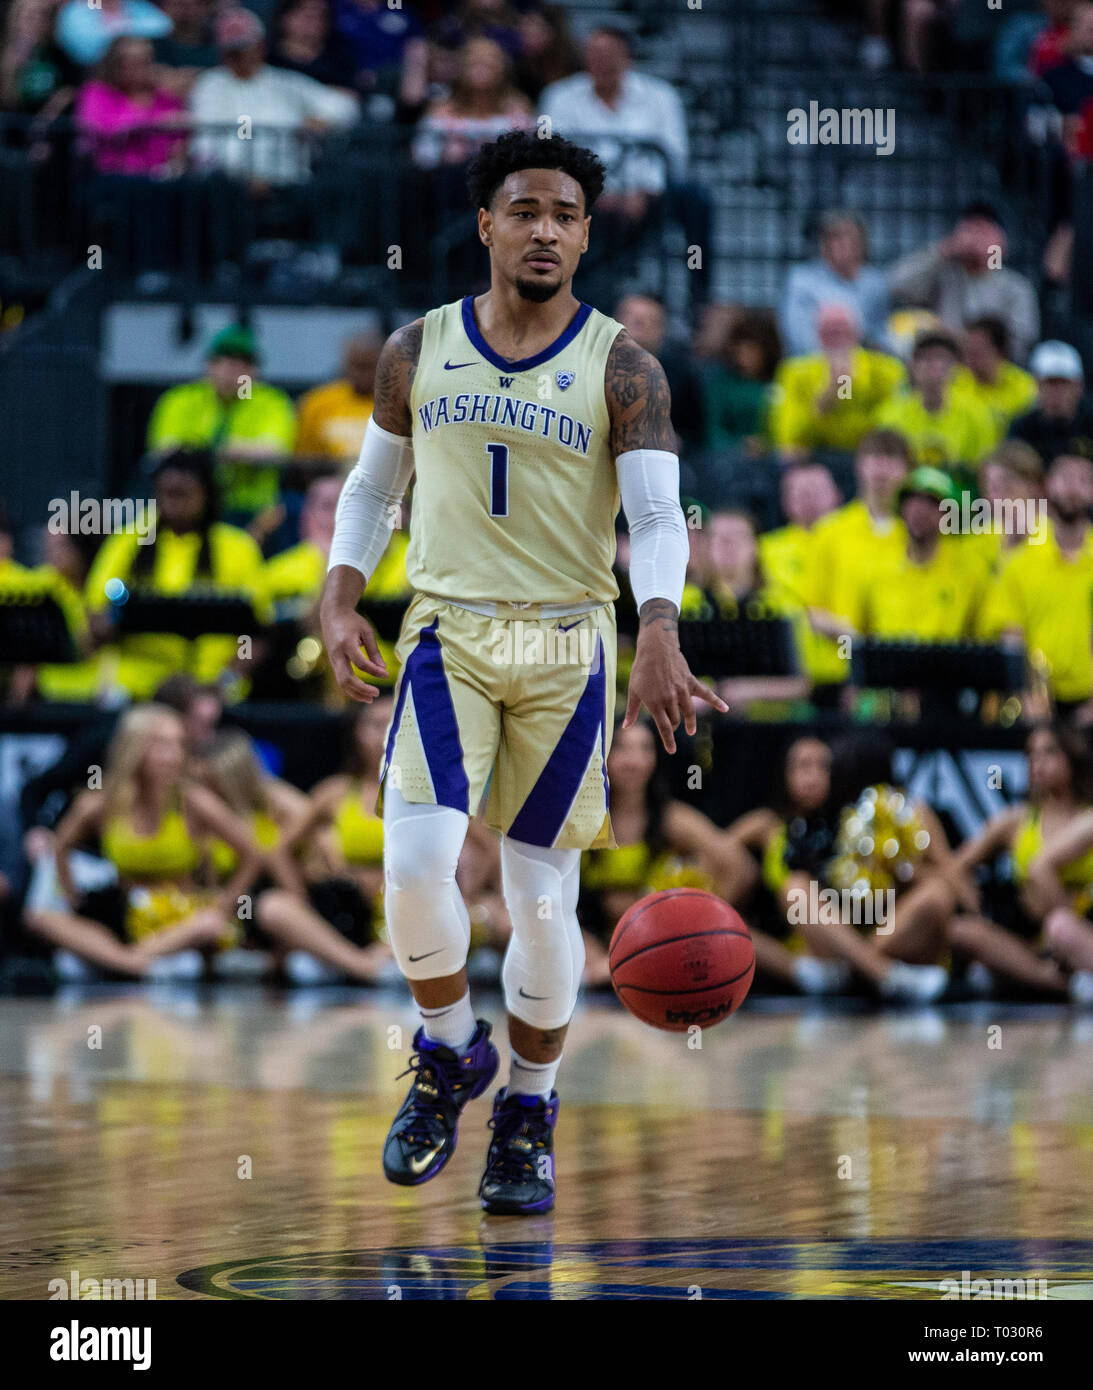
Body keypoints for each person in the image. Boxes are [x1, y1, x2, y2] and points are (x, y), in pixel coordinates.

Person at [319, 130, 726, 1215]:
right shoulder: (418, 347)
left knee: (543, 907)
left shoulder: (625, 365)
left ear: (587, 235)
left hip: (567, 639)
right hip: (447, 628)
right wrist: (339, 590)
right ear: (488, 223)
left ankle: (530, 1108)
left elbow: (654, 515)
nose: (544, 228)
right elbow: (370, 489)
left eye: (564, 214)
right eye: (524, 209)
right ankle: (451, 1050)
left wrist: (659, 627)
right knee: (412, 870)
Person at [23, 704, 258, 980]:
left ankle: (118, 960)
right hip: (121, 912)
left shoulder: (193, 800)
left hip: (180, 919)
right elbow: (61, 845)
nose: (172, 756)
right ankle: (135, 964)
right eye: (161, 746)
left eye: (178, 745)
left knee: (209, 924)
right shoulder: (103, 802)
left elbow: (252, 854)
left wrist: (225, 903)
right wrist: (72, 896)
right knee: (39, 918)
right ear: (135, 748)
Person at [83, 450, 270, 699]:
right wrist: (107, 625)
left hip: (210, 692)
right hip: (136, 688)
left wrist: (229, 678)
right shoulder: (128, 541)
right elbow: (95, 614)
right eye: (167, 493)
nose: (175, 503)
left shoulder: (238, 547)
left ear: (207, 495)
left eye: (185, 494)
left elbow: (253, 634)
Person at [928, 723, 1093, 1003]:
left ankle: (1056, 971)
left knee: (1061, 924)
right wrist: (975, 905)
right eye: (1031, 755)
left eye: (1049, 753)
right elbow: (956, 864)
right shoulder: (1016, 820)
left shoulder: (1087, 818)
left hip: (1079, 925)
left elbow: (1042, 870)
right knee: (962, 931)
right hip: (1030, 937)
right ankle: (1058, 982)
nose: (1038, 763)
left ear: (1072, 757)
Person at [579, 719, 745, 987]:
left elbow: (737, 866)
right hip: (590, 940)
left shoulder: (672, 819)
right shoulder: (582, 817)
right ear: (603, 754)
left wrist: (703, 925)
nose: (634, 761)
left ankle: (616, 969)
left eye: (644, 749)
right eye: (622, 749)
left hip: (656, 943)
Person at [189, 8, 358, 187]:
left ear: (260, 46)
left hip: (287, 184)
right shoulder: (211, 84)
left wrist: (321, 119)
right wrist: (245, 177)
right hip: (228, 188)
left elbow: (345, 106)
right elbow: (207, 140)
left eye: (242, 49)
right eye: (230, 51)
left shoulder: (283, 81)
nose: (235, 58)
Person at [146, 323, 297, 523]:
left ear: (254, 371)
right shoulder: (180, 399)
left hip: (248, 508)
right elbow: (164, 450)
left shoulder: (271, 401)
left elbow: (276, 450)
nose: (234, 373)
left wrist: (212, 451)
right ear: (209, 366)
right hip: (189, 504)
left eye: (243, 365)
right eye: (226, 363)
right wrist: (229, 452)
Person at [980, 452, 1093, 717]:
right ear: (1048, 485)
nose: (1073, 489)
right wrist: (1027, 696)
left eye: (1084, 480)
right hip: (1036, 702)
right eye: (1065, 478)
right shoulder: (1020, 563)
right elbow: (1011, 635)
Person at [797, 428, 912, 682]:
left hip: (905, 670)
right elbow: (809, 609)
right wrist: (849, 635)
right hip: (840, 673)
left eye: (891, 460)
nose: (881, 470)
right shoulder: (830, 530)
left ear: (908, 470)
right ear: (859, 466)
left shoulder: (916, 534)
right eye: (873, 458)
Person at [841, 466, 987, 643]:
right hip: (889, 666)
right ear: (901, 509)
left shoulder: (971, 571)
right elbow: (857, 635)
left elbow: (984, 640)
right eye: (912, 501)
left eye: (932, 502)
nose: (920, 510)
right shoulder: (874, 566)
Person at [888, 203, 1041, 364]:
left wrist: (993, 252)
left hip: (994, 373)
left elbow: (1023, 341)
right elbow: (897, 285)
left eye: (983, 231)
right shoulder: (944, 273)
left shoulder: (1014, 286)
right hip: (945, 369)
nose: (975, 238)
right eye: (970, 230)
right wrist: (945, 250)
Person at [769, 302, 905, 460]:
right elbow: (788, 436)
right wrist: (825, 401)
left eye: (842, 329)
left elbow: (891, 429)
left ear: (857, 332)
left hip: (871, 458)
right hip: (816, 460)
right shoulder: (794, 372)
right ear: (818, 334)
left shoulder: (887, 370)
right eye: (829, 330)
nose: (836, 335)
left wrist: (843, 390)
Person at [873, 329, 997, 468]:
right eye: (926, 358)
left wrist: (963, 491)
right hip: (906, 488)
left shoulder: (977, 413)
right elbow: (884, 467)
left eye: (943, 358)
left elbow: (981, 473)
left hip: (959, 488)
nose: (935, 366)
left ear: (956, 367)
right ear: (912, 366)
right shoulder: (889, 415)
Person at [412, 35, 533, 169]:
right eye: (475, 61)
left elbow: (529, 160)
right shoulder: (440, 109)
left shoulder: (520, 107)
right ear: (461, 68)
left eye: (489, 62)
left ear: (503, 67)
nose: (481, 68)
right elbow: (424, 159)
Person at [780, 211, 890, 357]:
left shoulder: (875, 282)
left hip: (864, 364)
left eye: (849, 237)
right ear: (823, 244)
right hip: (813, 365)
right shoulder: (801, 280)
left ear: (862, 243)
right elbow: (798, 337)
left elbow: (880, 332)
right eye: (836, 237)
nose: (843, 244)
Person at [74, 35, 187, 176]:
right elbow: (101, 127)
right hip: (114, 176)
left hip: (162, 177)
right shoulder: (97, 92)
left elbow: (180, 135)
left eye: (146, 61)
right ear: (115, 65)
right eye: (133, 62)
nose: (142, 68)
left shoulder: (164, 96)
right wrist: (155, 121)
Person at [613, 292, 704, 453]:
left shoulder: (681, 376)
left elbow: (696, 433)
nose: (638, 328)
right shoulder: (592, 366)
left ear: (662, 330)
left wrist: (676, 442)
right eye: (633, 319)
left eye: (648, 321)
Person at [295, 332, 381, 464]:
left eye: (370, 368)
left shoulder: (394, 404)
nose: (362, 375)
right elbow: (305, 460)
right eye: (356, 367)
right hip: (332, 480)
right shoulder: (318, 402)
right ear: (345, 363)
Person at [953, 316, 1037, 444]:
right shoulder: (954, 383)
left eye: (977, 352)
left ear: (1000, 351)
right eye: (966, 351)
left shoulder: (1024, 386)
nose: (969, 359)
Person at [1009, 339, 1093, 463]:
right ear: (1036, 385)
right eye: (1050, 383)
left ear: (1079, 386)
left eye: (1064, 383)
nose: (1057, 391)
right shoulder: (1022, 430)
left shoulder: (1089, 423)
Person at [54, 0, 170, 69]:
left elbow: (164, 25)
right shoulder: (85, 6)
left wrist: (116, 30)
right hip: (93, 75)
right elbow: (86, 50)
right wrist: (126, 30)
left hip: (138, 74)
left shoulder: (131, 5)